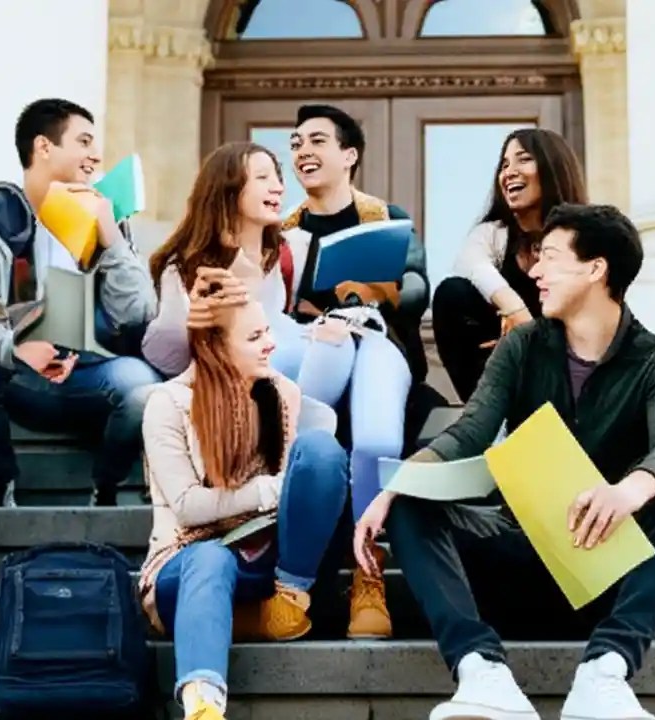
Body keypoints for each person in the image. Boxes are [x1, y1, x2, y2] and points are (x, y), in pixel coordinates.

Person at [356, 204, 655, 720]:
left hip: (602, 573)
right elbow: (471, 432)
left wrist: (626, 491)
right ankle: (482, 674)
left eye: (548, 257)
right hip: (514, 554)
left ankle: (604, 674)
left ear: (596, 269)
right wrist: (394, 487)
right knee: (412, 499)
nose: (533, 271)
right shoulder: (522, 345)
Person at [137, 290, 349, 720]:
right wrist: (272, 490)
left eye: (268, 331)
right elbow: (187, 507)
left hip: (264, 559)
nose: (271, 343)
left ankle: (290, 599)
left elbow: (298, 493)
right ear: (216, 347)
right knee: (211, 558)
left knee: (322, 451)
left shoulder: (280, 392)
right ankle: (203, 706)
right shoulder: (168, 403)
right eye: (255, 337)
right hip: (186, 563)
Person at [0, 98, 160, 508]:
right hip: (16, 378)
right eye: (83, 141)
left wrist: (111, 237)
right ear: (44, 147)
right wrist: (17, 351)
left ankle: (106, 487)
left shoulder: (104, 214)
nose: (95, 155)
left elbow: (138, 312)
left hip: (90, 374)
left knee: (140, 386)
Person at [278, 104, 430, 639]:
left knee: (377, 439)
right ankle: (289, 582)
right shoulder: (282, 230)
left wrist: (366, 291)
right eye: (295, 143)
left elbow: (416, 287)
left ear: (349, 155)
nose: (302, 152)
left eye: (316, 141)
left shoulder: (384, 217)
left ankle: (370, 579)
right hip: (310, 350)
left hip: (376, 342)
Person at [141, 141, 335, 433]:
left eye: (277, 177)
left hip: (275, 377)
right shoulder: (184, 265)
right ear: (229, 190)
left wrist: (317, 330)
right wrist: (200, 321)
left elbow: (274, 325)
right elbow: (163, 353)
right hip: (216, 386)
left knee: (337, 354)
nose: (278, 187)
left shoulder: (280, 253)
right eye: (262, 177)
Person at [432, 128, 588, 401]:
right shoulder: (493, 234)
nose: (509, 172)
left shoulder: (583, 237)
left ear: (552, 168)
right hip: (503, 373)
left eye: (523, 159)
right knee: (452, 293)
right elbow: (472, 264)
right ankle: (489, 413)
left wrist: (527, 336)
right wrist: (514, 310)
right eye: (504, 165)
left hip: (565, 372)